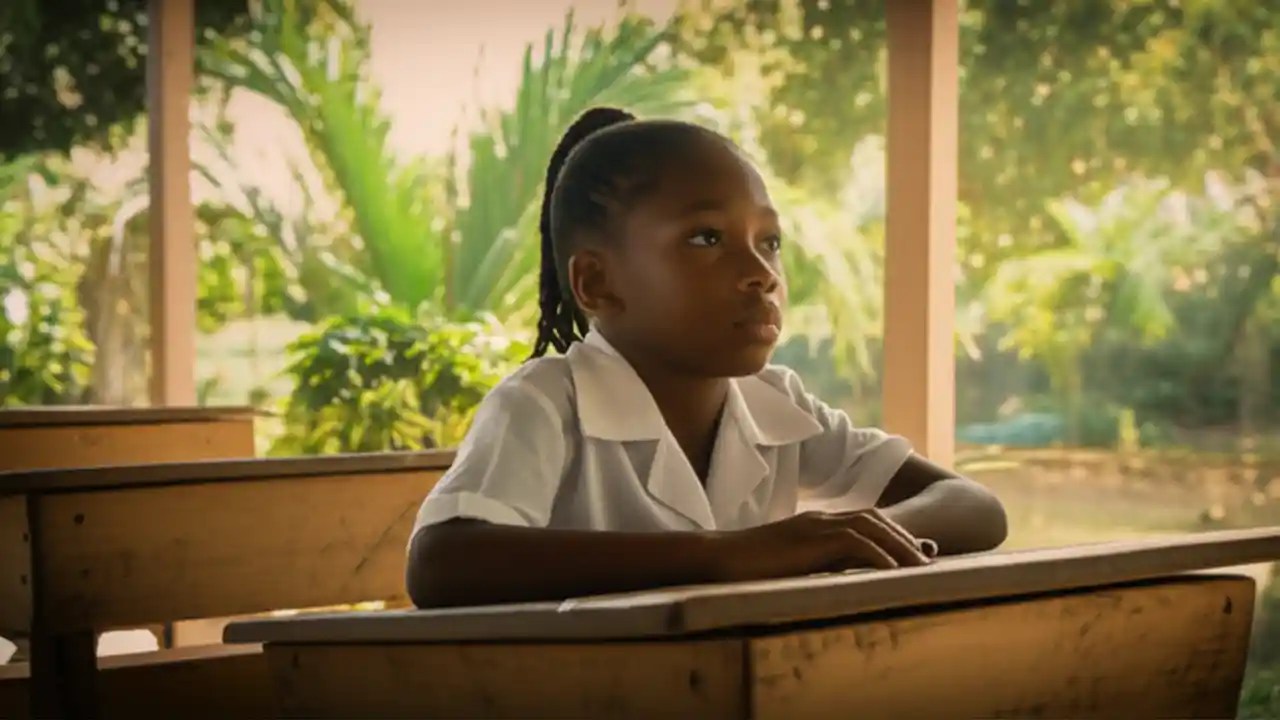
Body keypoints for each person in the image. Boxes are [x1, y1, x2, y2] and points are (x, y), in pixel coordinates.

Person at [405, 107, 1007, 609]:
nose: (761, 274)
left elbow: (974, 508)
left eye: (768, 242)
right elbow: (443, 563)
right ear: (595, 283)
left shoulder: (777, 402)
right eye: (706, 239)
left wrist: (839, 541)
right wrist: (737, 554)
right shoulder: (544, 402)